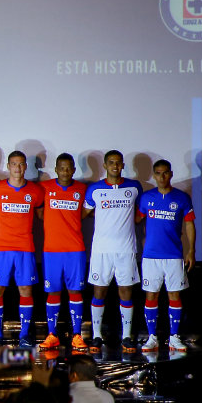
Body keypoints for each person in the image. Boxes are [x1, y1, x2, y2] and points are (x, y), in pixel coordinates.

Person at [81, 150, 143, 351]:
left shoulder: (134, 187)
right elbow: (86, 213)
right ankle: (97, 335)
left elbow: (140, 213)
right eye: (111, 163)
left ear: (123, 165)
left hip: (126, 249)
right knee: (99, 290)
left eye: (118, 163)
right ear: (105, 166)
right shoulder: (94, 189)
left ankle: (126, 336)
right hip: (101, 250)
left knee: (125, 291)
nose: (115, 166)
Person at [0, 151, 44, 347]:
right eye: (14, 164)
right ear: (8, 166)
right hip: (1, 248)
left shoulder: (35, 191)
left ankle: (25, 334)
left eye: (21, 164)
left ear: (26, 166)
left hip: (25, 248)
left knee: (25, 289)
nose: (17, 168)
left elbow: (43, 215)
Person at [136, 159, 195, 352]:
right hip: (151, 256)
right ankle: (152, 337)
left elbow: (189, 224)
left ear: (170, 174)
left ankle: (174, 337)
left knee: (174, 295)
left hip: (174, 255)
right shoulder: (146, 198)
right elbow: (135, 219)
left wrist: (191, 250)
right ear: (154, 175)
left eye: (165, 173)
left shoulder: (182, 198)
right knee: (151, 295)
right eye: (158, 173)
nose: (162, 177)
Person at [38, 153, 89, 351]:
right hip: (51, 250)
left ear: (74, 170)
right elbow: (39, 213)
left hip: (75, 250)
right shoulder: (44, 188)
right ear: (56, 169)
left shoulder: (82, 189)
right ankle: (52, 335)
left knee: (75, 291)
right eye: (61, 167)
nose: (65, 171)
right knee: (53, 292)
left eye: (69, 168)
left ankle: (77, 335)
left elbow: (84, 213)